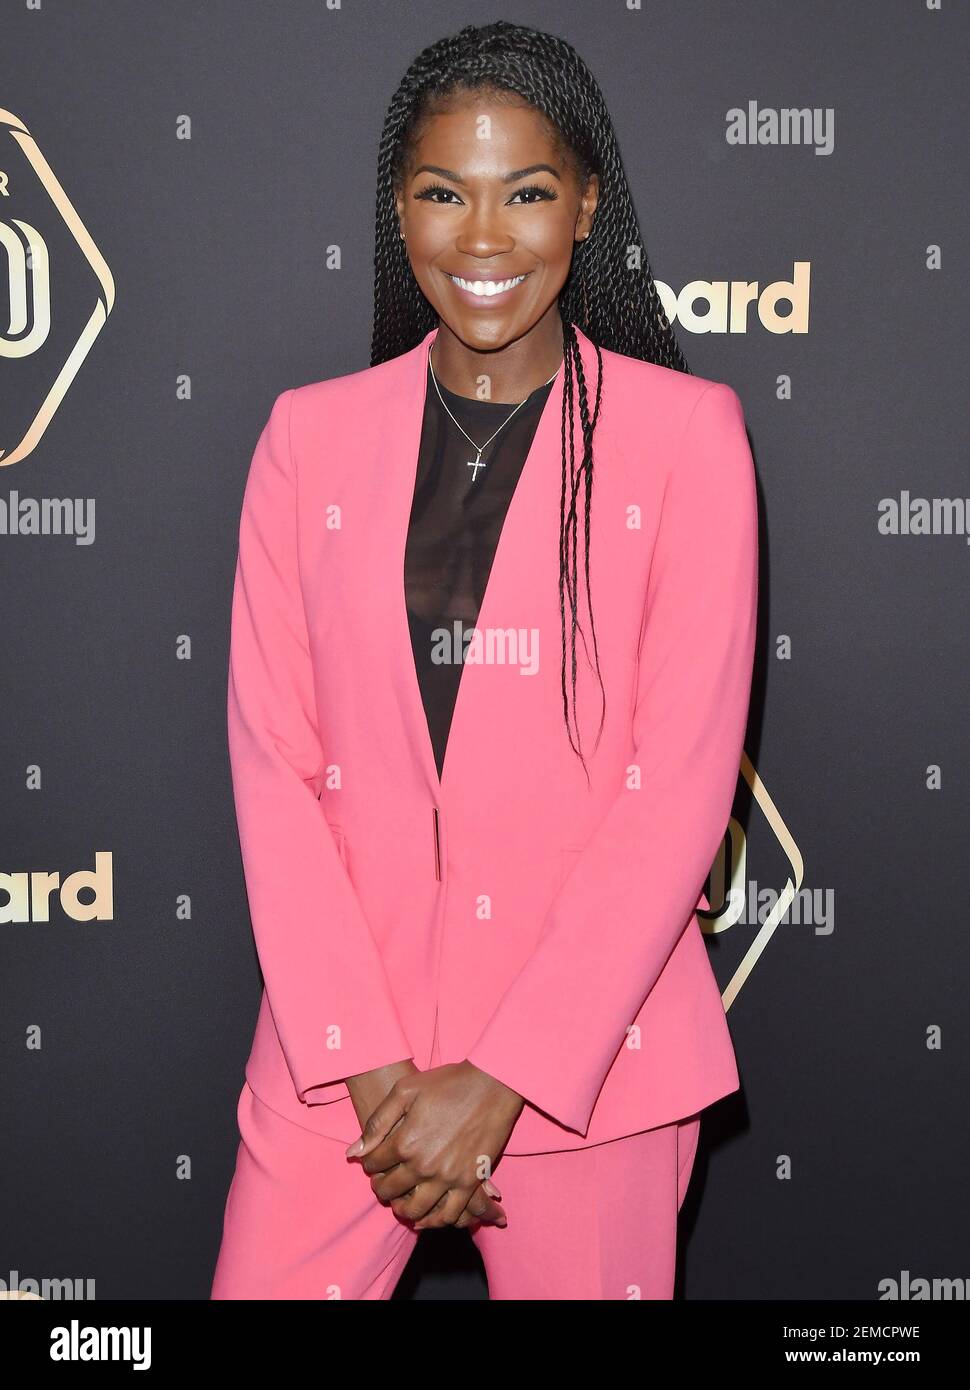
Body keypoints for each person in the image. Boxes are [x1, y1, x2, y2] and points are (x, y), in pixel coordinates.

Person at [211, 20, 758, 1301]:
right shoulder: (308, 441)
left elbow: (675, 788)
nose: (484, 235)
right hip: (345, 1065)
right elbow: (273, 765)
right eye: (442, 192)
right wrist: (371, 1063)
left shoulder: (685, 439)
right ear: (396, 213)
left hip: (593, 1067)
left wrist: (505, 1076)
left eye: (526, 192)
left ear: (584, 208)